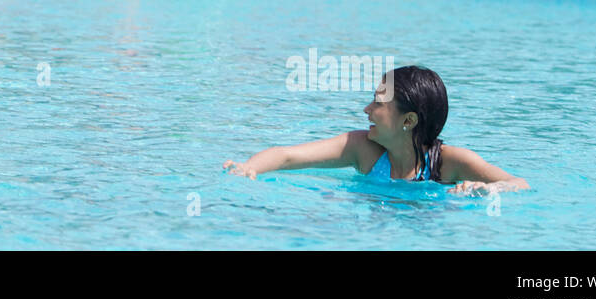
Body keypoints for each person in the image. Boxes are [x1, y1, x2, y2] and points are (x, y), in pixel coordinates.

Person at [223, 66, 530, 196]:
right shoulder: (362, 148)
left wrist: (488, 189)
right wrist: (249, 167)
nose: (367, 109)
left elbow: (520, 183)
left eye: (378, 102)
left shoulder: (450, 162)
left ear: (408, 120)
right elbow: (288, 156)